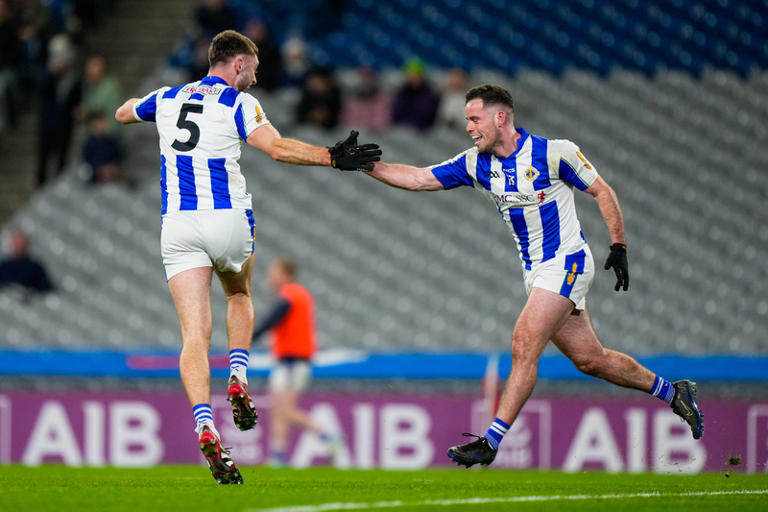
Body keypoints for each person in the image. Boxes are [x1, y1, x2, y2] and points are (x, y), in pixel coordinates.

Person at [361, 84, 703, 468]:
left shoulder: (555, 152)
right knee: (592, 360)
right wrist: (367, 165)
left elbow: (602, 192)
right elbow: (418, 178)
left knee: (524, 342)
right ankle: (675, 393)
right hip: (537, 274)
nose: (469, 127)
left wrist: (619, 246)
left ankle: (490, 441)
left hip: (569, 261)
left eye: (474, 119)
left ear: (500, 117)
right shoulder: (476, 163)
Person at [114, 29, 380, 484]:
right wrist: (332, 157)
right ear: (237, 63)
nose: (255, 79)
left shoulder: (167, 96)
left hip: (176, 225)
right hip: (225, 219)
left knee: (193, 336)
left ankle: (203, 421)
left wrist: (152, 103)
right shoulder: (238, 104)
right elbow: (276, 147)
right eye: (253, 69)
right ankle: (238, 374)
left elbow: (121, 113)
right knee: (239, 295)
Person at [252, 258, 336, 467]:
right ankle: (278, 455)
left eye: (274, 272)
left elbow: (274, 317)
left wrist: (250, 337)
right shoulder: (297, 294)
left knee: (285, 410)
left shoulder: (292, 293)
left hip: (293, 362)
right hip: (286, 361)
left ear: (286, 274)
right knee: (277, 408)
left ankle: (327, 437)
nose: (270, 278)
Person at [391, 58, 439, 132]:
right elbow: (395, 113)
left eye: (416, 75)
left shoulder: (428, 95)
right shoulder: (402, 92)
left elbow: (425, 116)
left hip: (419, 131)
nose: (413, 78)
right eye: (410, 75)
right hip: (400, 129)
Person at [0, 229, 54, 293]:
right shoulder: (4, 266)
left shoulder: (35, 267)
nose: (19, 246)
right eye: (16, 243)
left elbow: (46, 290)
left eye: (21, 244)